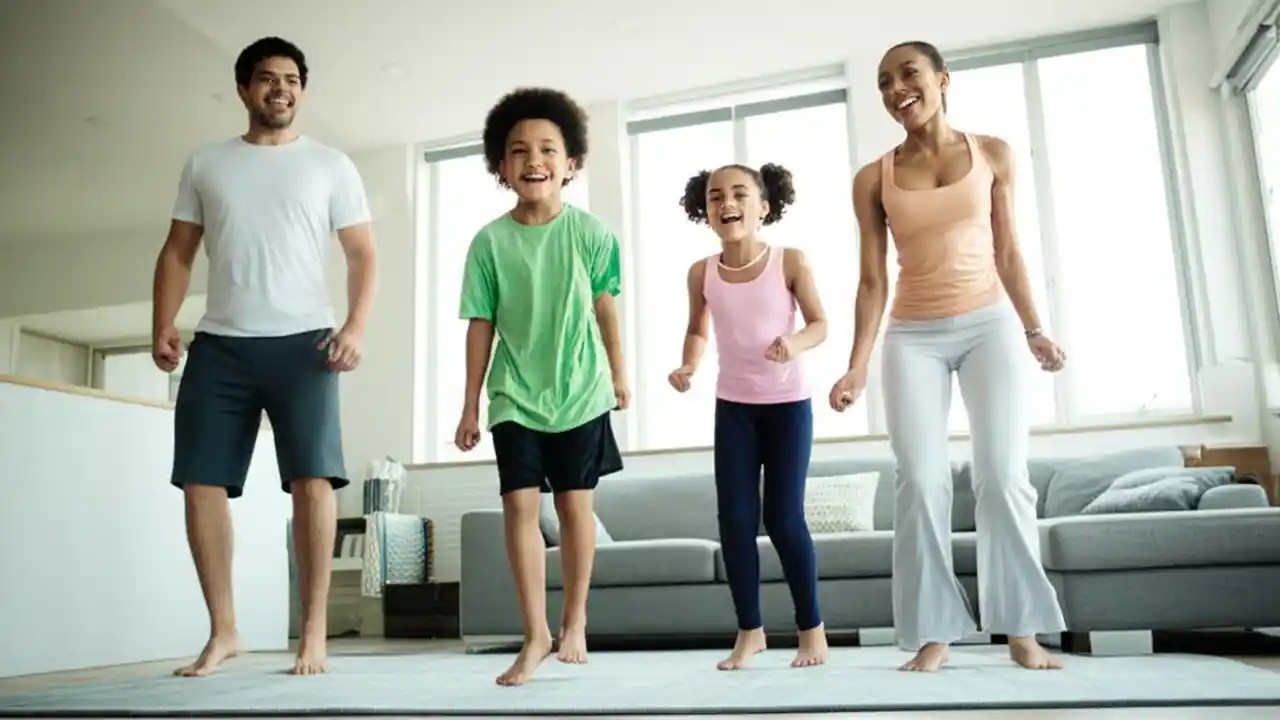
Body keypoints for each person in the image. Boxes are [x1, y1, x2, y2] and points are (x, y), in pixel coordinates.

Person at [829, 40, 1067, 673]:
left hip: (990, 324)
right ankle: (935, 628)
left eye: (908, 74)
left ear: (942, 79)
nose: (895, 88)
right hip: (913, 335)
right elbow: (872, 280)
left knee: (1001, 474)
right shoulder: (872, 178)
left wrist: (1034, 328)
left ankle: (1021, 628)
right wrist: (856, 363)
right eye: (884, 81)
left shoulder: (992, 153)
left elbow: (1010, 250)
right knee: (921, 480)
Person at [151, 36, 375, 677]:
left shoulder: (331, 164)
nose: (281, 88)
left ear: (300, 90)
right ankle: (224, 631)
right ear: (245, 89)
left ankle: (312, 632)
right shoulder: (206, 163)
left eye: (291, 79)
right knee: (200, 481)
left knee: (312, 481)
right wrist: (163, 322)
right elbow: (177, 252)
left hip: (307, 343)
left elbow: (363, 255)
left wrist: (355, 326)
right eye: (267, 78)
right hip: (220, 344)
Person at [454, 87, 628, 687]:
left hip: (580, 388)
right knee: (519, 506)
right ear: (501, 166)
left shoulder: (593, 234)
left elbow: (605, 307)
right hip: (514, 393)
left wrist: (619, 372)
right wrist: (470, 403)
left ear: (571, 161)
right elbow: (480, 325)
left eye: (548, 149)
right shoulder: (488, 243)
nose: (534, 160)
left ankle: (574, 620)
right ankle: (534, 634)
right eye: (519, 150)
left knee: (575, 506)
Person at [670, 163, 830, 671]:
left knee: (783, 519)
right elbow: (698, 330)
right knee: (736, 522)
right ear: (705, 209)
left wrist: (794, 343)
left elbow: (820, 323)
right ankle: (751, 632)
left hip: (787, 407)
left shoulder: (790, 261)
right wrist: (689, 365)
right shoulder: (703, 272)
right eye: (716, 196)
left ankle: (812, 632)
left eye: (739, 193)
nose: (726, 202)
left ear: (764, 206)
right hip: (733, 408)